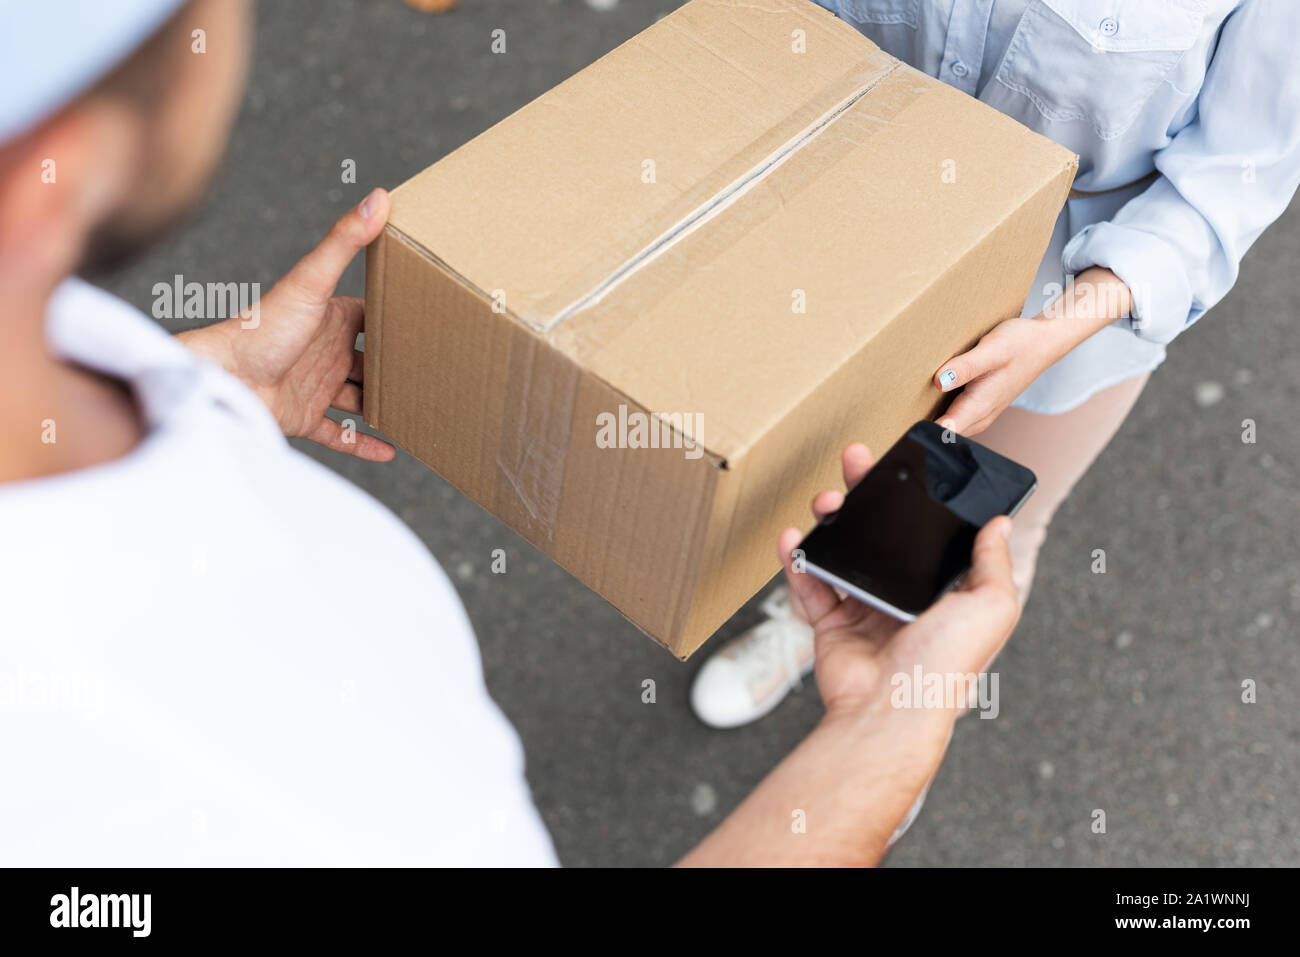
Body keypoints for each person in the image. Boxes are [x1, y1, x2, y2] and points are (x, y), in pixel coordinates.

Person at [0, 0, 1020, 866]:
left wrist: (203, 390)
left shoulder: (68, 357)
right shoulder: (188, 769)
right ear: (56, 179)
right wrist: (893, 725)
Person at [692, 0, 1300, 729]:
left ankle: (901, 733)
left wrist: (1057, 330)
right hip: (847, 232)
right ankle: (810, 612)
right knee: (822, 473)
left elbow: (1231, 180)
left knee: (981, 531)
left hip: (1063, 298)